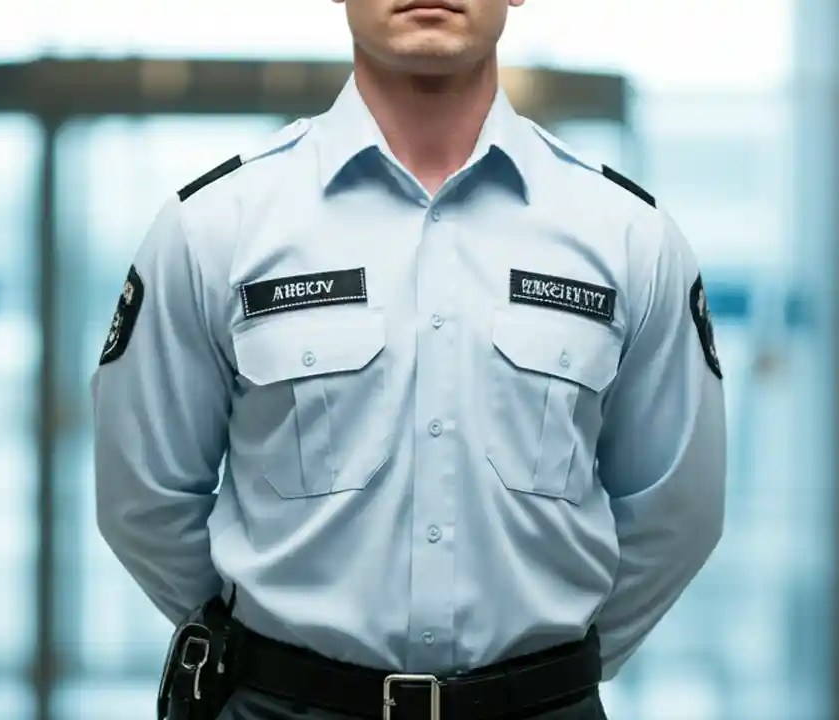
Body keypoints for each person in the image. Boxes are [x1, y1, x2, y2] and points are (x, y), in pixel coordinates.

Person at [91, 0, 727, 717]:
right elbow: (143, 501)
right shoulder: (214, 229)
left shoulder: (627, 238)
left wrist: (541, 678)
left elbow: (677, 512)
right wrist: (271, 658)